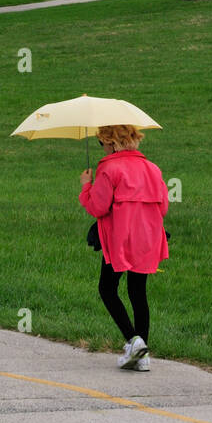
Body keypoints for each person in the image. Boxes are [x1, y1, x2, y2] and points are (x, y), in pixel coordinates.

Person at [80, 124, 169, 371]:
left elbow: (98, 207)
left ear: (111, 143)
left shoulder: (108, 168)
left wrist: (86, 185)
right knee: (137, 292)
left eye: (102, 143)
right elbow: (162, 208)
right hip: (148, 237)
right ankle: (142, 355)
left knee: (107, 288)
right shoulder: (152, 168)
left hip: (120, 237)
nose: (102, 148)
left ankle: (134, 340)